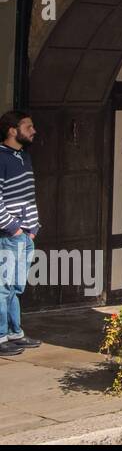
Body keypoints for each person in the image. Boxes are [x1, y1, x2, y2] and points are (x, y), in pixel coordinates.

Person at [0, 111, 41, 355]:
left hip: (25, 235)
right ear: (12, 130)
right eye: (28, 126)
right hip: (9, 235)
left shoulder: (24, 157)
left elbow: (28, 195)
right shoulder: (1, 157)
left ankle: (15, 332)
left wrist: (33, 228)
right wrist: (13, 228)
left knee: (15, 287)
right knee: (3, 286)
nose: (33, 130)